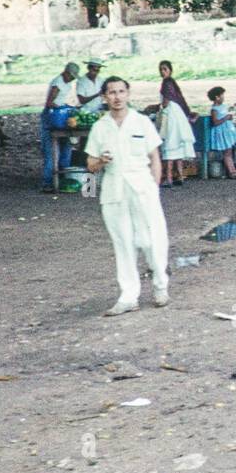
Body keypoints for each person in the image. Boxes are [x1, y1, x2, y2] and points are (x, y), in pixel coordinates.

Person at [83, 77, 170, 315]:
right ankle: (128, 295)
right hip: (114, 189)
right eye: (111, 92)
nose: (117, 97)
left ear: (128, 94)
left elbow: (154, 158)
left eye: (121, 91)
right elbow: (90, 164)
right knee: (123, 243)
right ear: (104, 97)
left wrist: (155, 187)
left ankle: (160, 285)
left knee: (151, 239)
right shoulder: (100, 127)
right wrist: (101, 161)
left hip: (142, 186)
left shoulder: (141, 122)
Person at [40, 62, 79, 193]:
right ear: (66, 72)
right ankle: (47, 183)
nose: (73, 79)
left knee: (65, 150)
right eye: (72, 76)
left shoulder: (67, 83)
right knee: (51, 152)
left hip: (59, 116)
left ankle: (63, 179)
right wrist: (61, 107)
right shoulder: (57, 83)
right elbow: (50, 103)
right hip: (50, 117)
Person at [156, 61, 195, 186]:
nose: (163, 71)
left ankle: (169, 178)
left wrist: (158, 108)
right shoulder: (172, 82)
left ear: (170, 70)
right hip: (178, 114)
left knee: (169, 144)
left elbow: (165, 102)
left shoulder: (166, 83)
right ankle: (180, 176)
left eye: (165, 69)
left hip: (171, 114)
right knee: (178, 146)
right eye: (161, 69)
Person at [206, 86, 236, 180]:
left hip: (226, 132)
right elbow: (215, 122)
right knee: (227, 153)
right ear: (217, 97)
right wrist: (225, 118)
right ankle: (232, 172)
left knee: (229, 152)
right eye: (222, 95)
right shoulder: (214, 109)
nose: (223, 97)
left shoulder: (222, 106)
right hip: (222, 133)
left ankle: (232, 170)